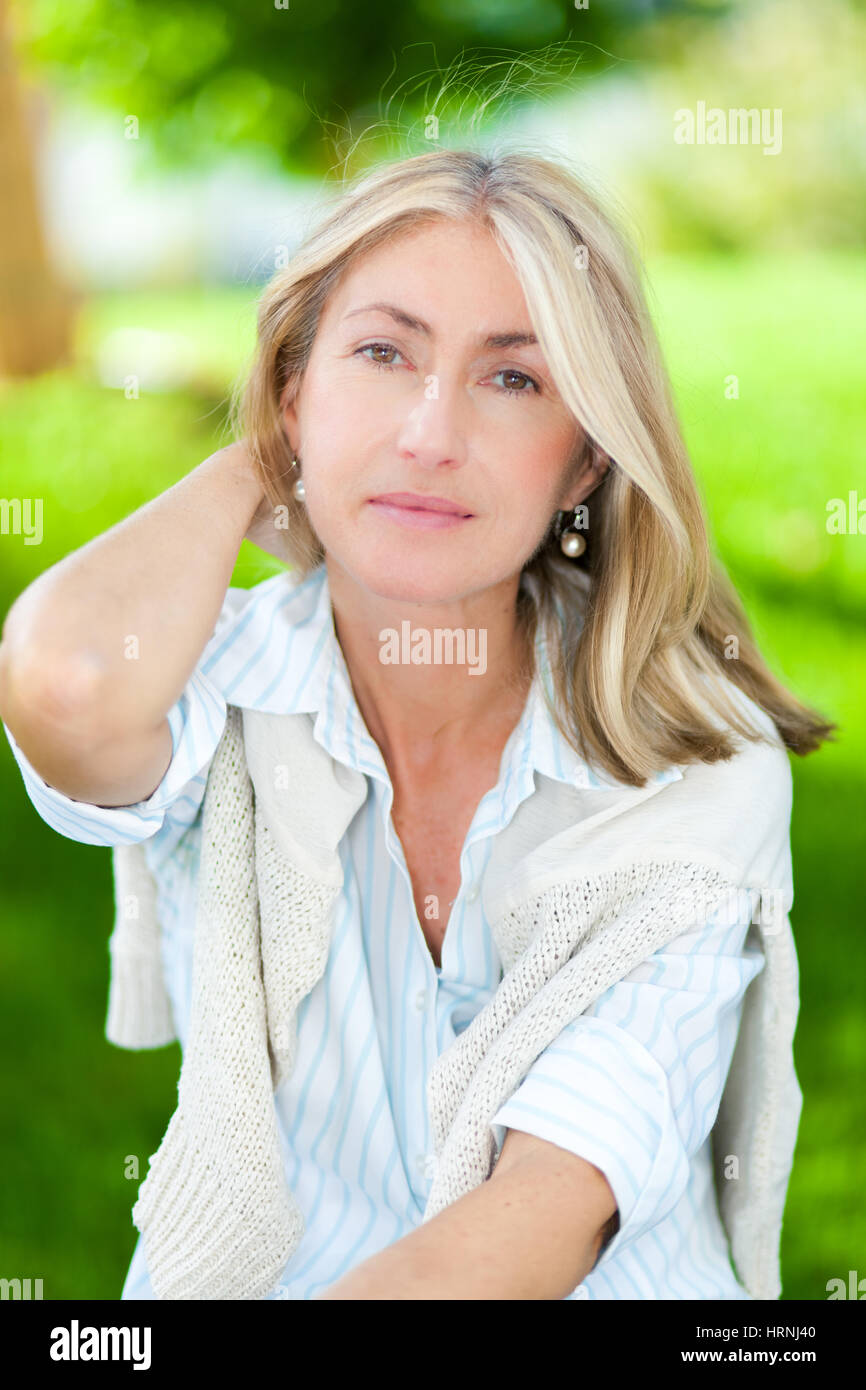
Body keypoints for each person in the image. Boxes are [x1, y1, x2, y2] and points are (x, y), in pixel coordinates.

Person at [0, 147, 834, 1300]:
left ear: (585, 456)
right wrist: (260, 465)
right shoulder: (218, 686)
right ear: (295, 390)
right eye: (381, 354)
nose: (429, 433)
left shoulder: (693, 755)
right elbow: (65, 683)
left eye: (513, 380)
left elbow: (548, 1205)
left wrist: (333, 438)